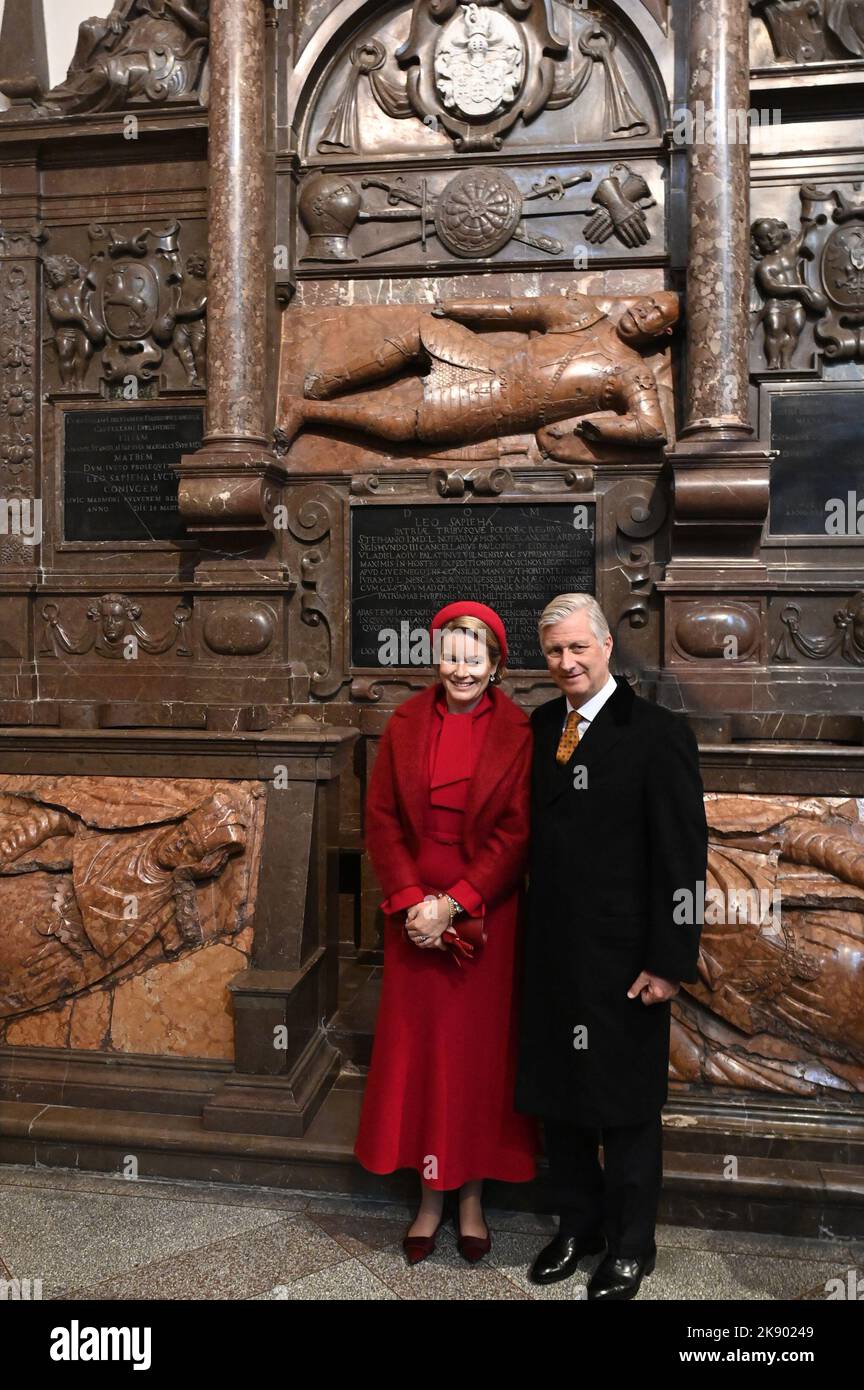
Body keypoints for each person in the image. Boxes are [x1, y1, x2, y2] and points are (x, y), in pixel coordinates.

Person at [516, 593, 707, 1300]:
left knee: (626, 1110)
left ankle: (631, 1245)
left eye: (577, 648)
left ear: (606, 647)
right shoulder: (540, 727)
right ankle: (579, 1225)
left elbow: (684, 858)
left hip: (629, 963)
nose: (566, 662)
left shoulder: (657, 733)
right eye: (555, 652)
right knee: (561, 1101)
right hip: (554, 955)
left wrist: (670, 960)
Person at [354, 601, 538, 1263]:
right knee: (422, 1056)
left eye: (475, 654)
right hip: (414, 923)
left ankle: (470, 1200)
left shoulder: (519, 730)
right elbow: (381, 821)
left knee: (477, 1062)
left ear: (495, 663)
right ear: (437, 656)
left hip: (486, 917)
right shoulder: (404, 722)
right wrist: (412, 905)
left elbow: (516, 835)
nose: (461, 667)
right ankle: (428, 1198)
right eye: (451, 652)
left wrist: (453, 904)